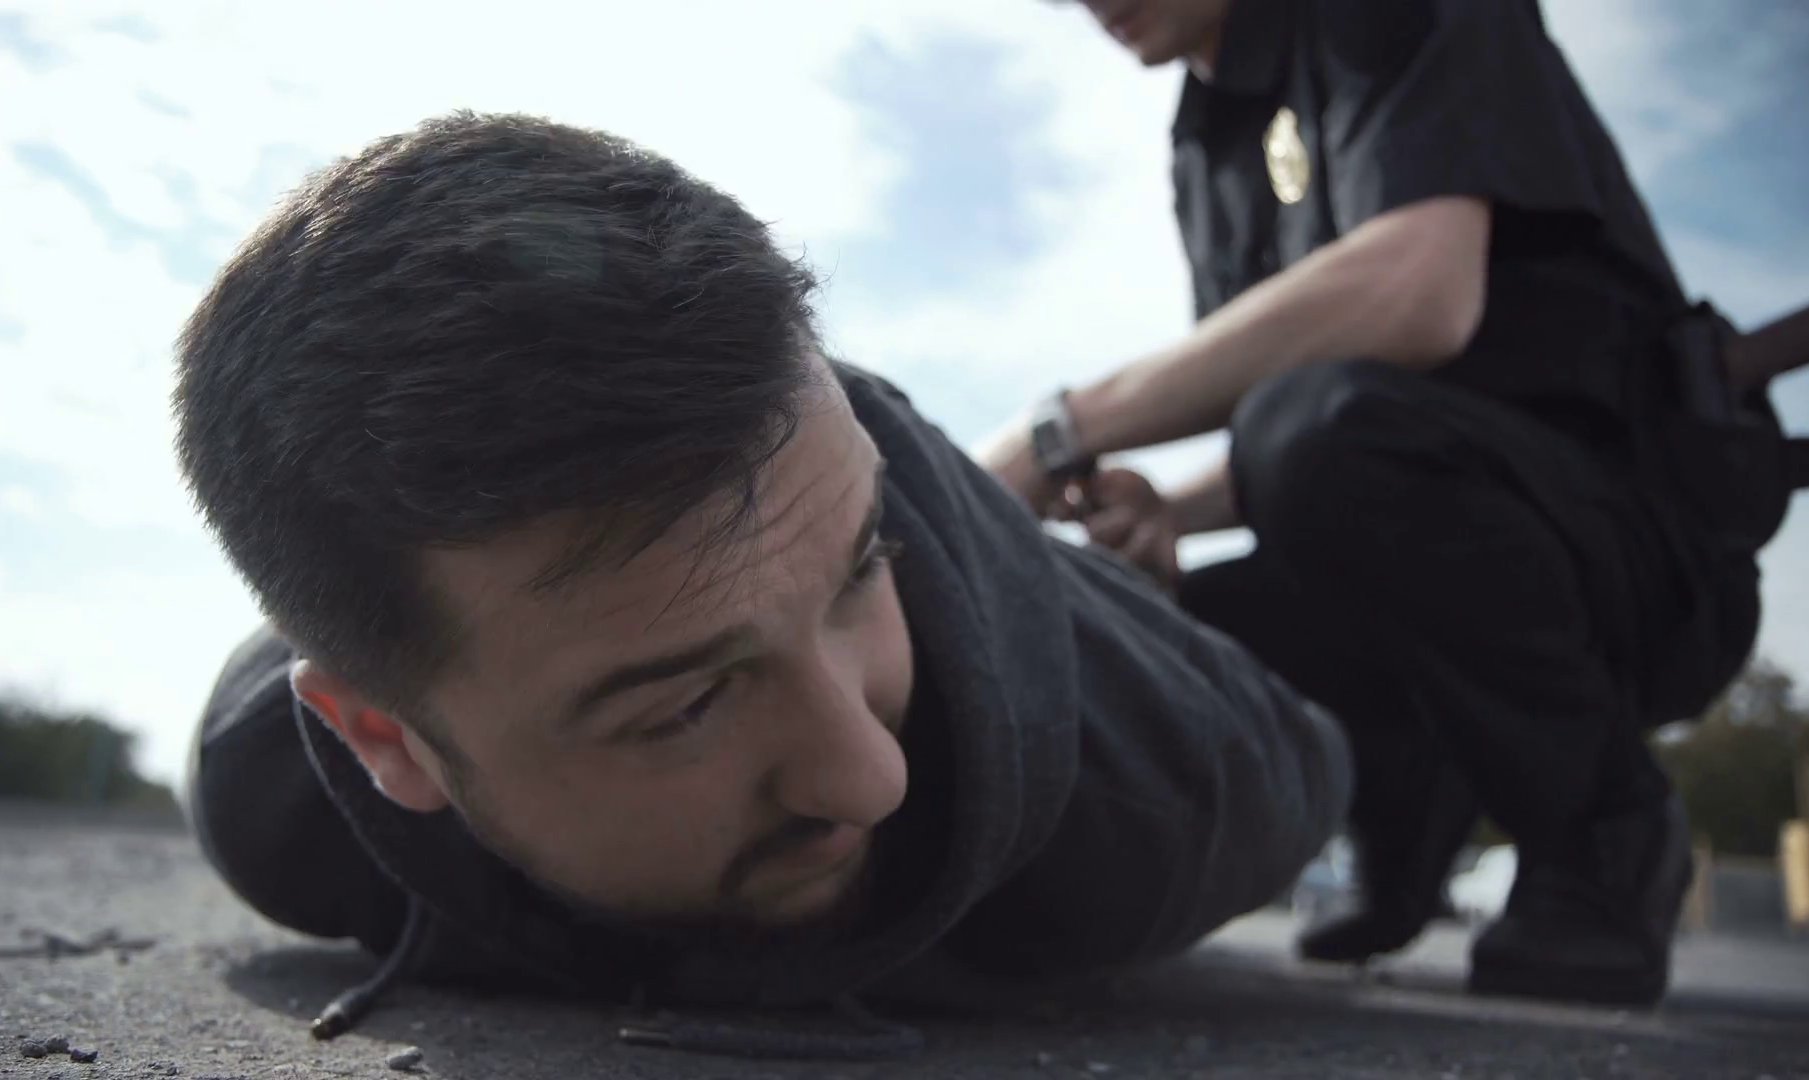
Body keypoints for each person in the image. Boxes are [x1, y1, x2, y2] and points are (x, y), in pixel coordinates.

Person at [174, 111, 1353, 1059]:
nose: (869, 778)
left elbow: (1324, 751)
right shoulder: (277, 806)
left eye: (862, 571)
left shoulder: (1182, 795)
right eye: (685, 704)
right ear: (386, 741)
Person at [979, 0, 1798, 1007]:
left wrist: (1060, 430)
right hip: (1439, 520)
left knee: (1311, 431)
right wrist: (1169, 520)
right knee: (1161, 625)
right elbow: (1300, 431)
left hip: (1641, 560)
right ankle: (1406, 811)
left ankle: (1605, 833)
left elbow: (1416, 296)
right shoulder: (1206, 139)